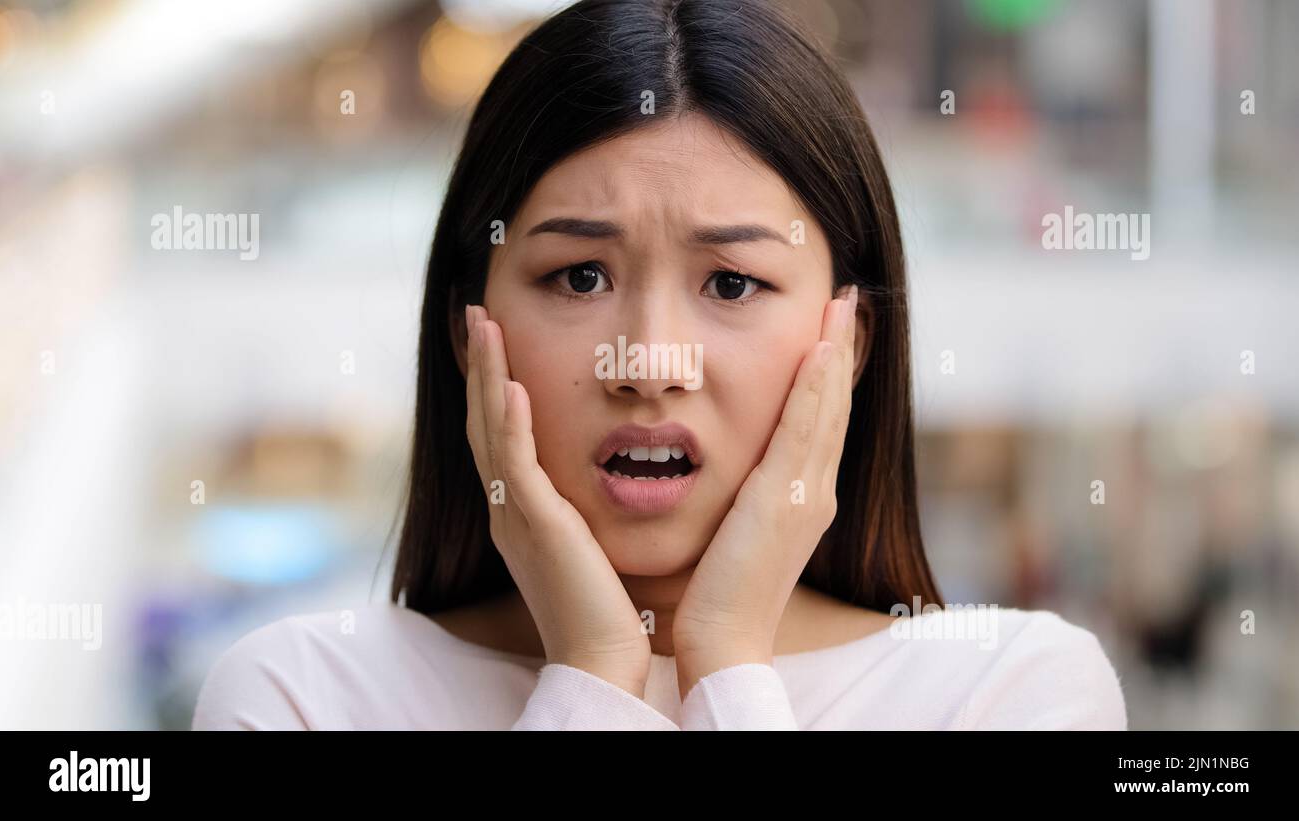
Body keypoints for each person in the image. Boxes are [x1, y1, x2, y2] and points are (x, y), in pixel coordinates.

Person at [193, 0, 1127, 730]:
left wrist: (726, 665)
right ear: (465, 327)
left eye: (730, 284)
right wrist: (596, 677)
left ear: (850, 346)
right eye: (580, 274)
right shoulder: (300, 698)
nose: (649, 362)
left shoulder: (1013, 692)